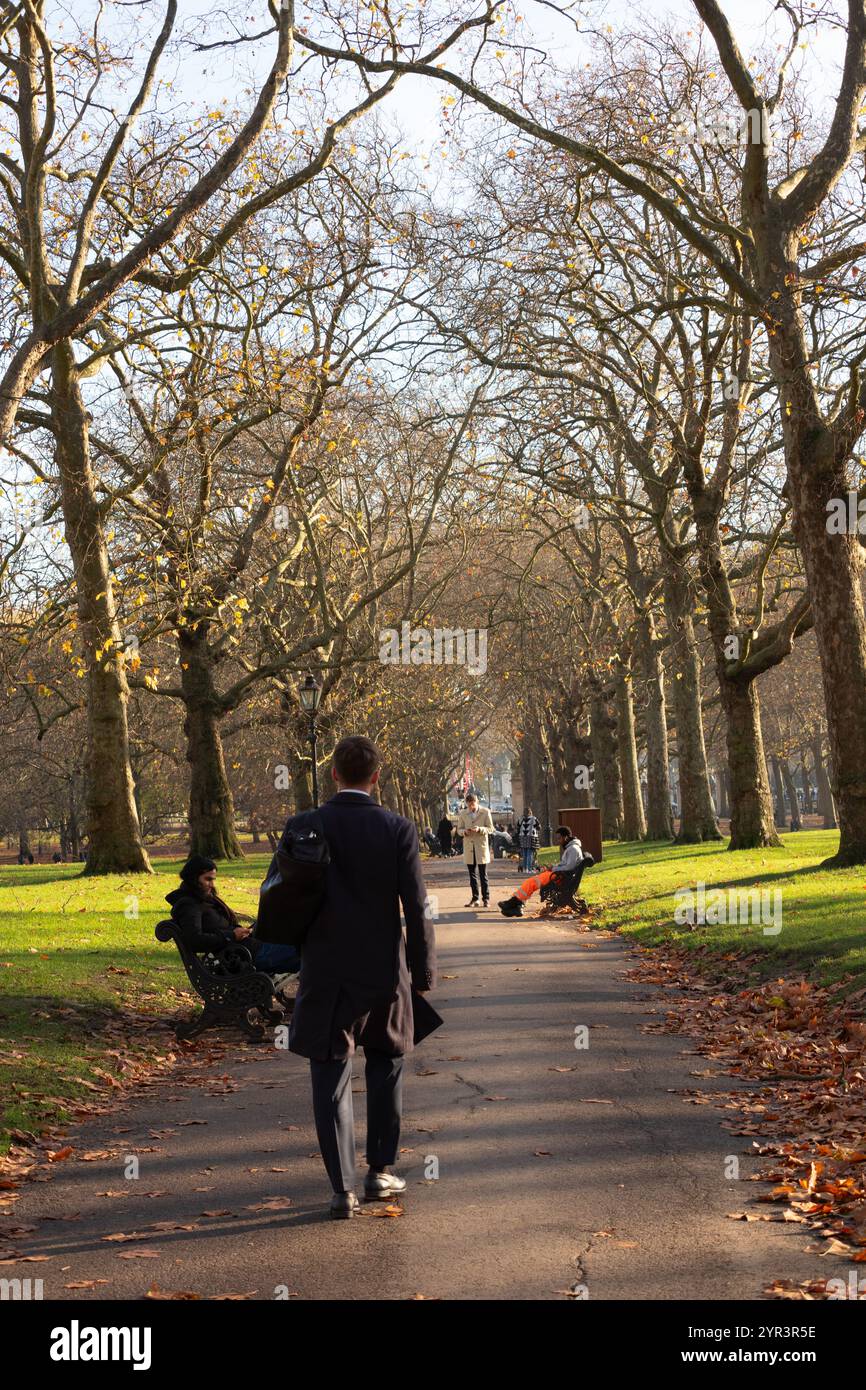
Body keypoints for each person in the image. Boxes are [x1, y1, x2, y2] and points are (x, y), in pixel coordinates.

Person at [286, 736, 438, 1219]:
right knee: (386, 1062)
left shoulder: (305, 826)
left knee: (329, 1071)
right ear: (377, 776)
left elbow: (285, 901)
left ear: (333, 774)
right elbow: (415, 906)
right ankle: (379, 1171)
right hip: (382, 970)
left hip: (326, 968)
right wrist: (422, 969)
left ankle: (341, 1188)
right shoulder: (397, 828)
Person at [166, 855, 301, 981]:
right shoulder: (189, 905)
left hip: (246, 951)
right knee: (307, 953)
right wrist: (231, 935)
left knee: (302, 943)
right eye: (208, 879)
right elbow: (195, 940)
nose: (212, 885)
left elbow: (220, 928)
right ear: (193, 879)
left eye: (213, 879)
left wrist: (240, 931)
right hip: (242, 958)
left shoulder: (205, 900)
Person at [499, 826, 588, 917]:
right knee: (531, 882)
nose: (558, 841)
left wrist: (553, 869)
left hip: (559, 877)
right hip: (561, 876)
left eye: (559, 838)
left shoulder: (573, 849)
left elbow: (569, 867)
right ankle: (515, 904)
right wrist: (554, 867)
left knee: (531, 882)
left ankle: (514, 904)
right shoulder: (572, 847)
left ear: (566, 837)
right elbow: (567, 865)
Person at [455, 791, 495, 907]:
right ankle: (475, 898)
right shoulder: (463, 813)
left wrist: (480, 829)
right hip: (469, 847)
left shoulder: (485, 812)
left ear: (477, 802)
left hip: (481, 846)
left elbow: (491, 828)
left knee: (483, 875)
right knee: (472, 875)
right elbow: (459, 830)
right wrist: (465, 832)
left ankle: (486, 899)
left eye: (473, 804)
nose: (471, 807)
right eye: (469, 805)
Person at [517, 808, 540, 873]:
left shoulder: (520, 818)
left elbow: (518, 826)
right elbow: (539, 827)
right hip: (531, 837)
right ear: (530, 812)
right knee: (530, 853)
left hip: (522, 837)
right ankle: (530, 869)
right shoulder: (534, 819)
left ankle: (525, 868)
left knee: (524, 853)